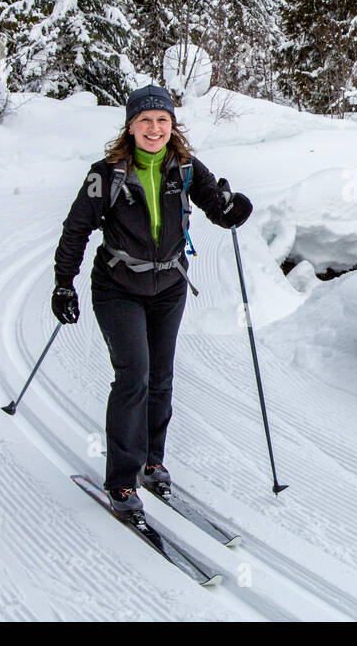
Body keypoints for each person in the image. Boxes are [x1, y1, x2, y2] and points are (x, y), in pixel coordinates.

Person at [51, 84, 252, 513]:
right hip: (118, 288)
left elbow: (217, 206)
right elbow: (75, 230)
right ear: (130, 126)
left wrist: (233, 208)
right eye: (145, 120)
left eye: (162, 120)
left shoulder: (186, 167)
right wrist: (64, 283)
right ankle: (122, 480)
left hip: (170, 287)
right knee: (134, 377)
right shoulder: (104, 175)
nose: (154, 128)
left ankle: (151, 460)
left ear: (172, 125)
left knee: (161, 378)